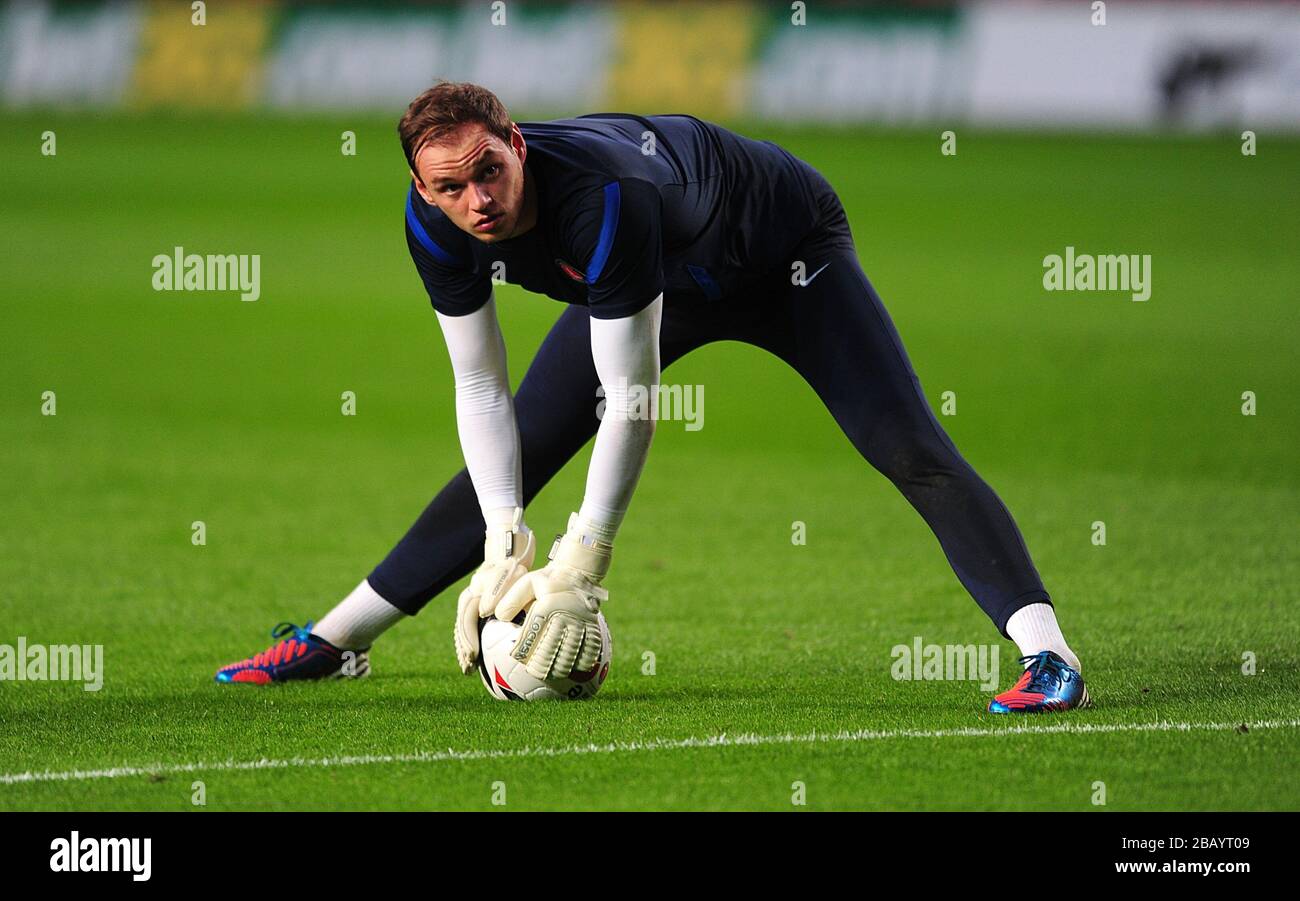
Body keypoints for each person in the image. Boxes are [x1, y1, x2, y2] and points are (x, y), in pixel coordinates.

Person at [215, 82, 1087, 714]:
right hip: (649, 280)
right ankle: (336, 640)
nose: (476, 201)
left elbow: (634, 397)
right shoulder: (433, 225)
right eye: (449, 186)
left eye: (489, 170)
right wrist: (504, 535)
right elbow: (477, 380)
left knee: (905, 444)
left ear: (517, 143)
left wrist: (582, 563)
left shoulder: (600, 198)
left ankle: (1049, 657)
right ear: (421, 189)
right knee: (518, 440)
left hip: (782, 255)